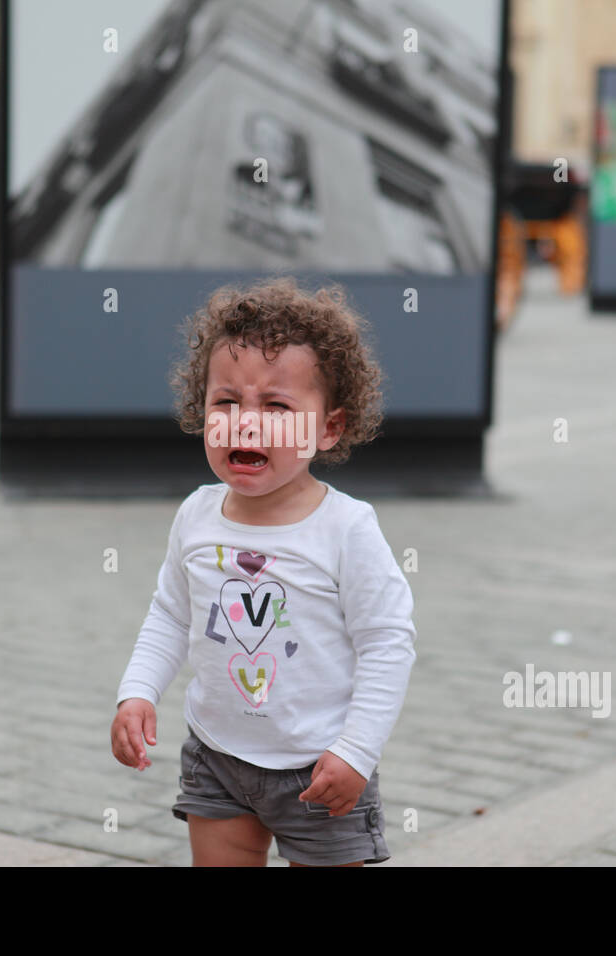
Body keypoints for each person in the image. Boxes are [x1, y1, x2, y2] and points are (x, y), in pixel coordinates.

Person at [111, 277, 417, 867]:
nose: (246, 423)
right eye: (226, 401)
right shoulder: (197, 515)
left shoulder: (346, 529)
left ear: (328, 427)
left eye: (276, 406)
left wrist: (356, 752)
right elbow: (171, 614)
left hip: (320, 765)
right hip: (217, 756)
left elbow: (387, 642)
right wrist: (138, 690)